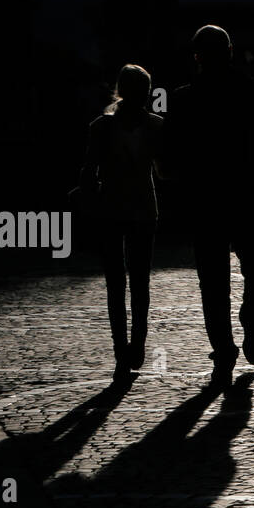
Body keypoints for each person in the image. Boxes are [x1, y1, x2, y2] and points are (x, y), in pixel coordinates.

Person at [162, 24, 254, 389]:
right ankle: (251, 318)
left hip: (207, 201)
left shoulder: (185, 99)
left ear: (198, 56)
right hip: (250, 197)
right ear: (230, 51)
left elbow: (171, 156)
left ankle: (224, 348)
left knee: (213, 282)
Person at [78, 63, 163, 382]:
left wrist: (87, 192)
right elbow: (165, 171)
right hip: (141, 207)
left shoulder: (101, 126)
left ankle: (122, 350)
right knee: (139, 281)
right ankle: (136, 345)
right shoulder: (156, 126)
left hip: (111, 207)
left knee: (117, 283)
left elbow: (88, 169)